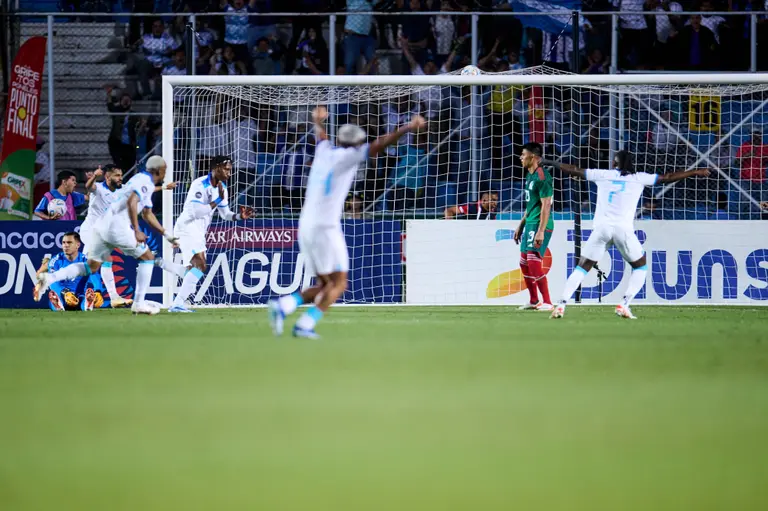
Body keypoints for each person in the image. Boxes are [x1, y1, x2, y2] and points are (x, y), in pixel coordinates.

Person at [268, 106, 426, 338]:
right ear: (357, 143)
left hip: (306, 224)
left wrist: (317, 121)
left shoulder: (324, 151)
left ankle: (285, 306)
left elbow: (321, 137)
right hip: (325, 227)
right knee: (340, 284)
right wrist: (408, 127)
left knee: (326, 285)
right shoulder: (348, 156)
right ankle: (303, 324)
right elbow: (379, 145)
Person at [546, 151, 710, 319]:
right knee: (640, 267)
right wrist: (695, 171)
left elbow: (574, 169)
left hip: (602, 229)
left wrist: (548, 161)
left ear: (614, 164)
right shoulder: (639, 178)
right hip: (622, 230)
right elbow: (667, 177)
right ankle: (624, 304)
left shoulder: (603, 175)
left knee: (581, 268)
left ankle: (561, 305)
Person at [33, 156, 185, 316]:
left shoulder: (138, 181)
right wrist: (137, 229)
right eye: (165, 170)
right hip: (116, 228)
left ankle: (50, 278)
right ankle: (138, 303)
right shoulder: (139, 182)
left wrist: (167, 234)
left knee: (91, 266)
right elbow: (132, 202)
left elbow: (147, 211)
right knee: (147, 258)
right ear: (159, 170)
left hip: (101, 227)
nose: (165, 173)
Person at [169, 156, 255, 313]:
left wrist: (239, 216)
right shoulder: (200, 184)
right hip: (187, 227)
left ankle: (160, 263)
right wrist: (217, 199)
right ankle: (177, 304)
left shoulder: (223, 188)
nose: (229, 173)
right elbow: (196, 212)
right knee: (200, 265)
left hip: (198, 231)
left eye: (230, 170)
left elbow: (225, 214)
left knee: (193, 269)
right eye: (226, 170)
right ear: (215, 168)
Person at [79, 165, 132, 308]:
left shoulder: (122, 189)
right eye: (117, 175)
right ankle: (112, 297)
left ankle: (111, 297)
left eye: (121, 175)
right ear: (107, 177)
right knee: (104, 260)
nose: (120, 178)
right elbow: (88, 187)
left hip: (103, 234)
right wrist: (94, 176)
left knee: (95, 264)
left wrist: (164, 187)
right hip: (90, 231)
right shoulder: (98, 188)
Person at [513, 143, 554, 311]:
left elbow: (546, 205)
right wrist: (520, 225)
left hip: (540, 224)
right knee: (524, 263)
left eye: (524, 154)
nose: (521, 157)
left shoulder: (542, 177)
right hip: (530, 223)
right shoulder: (529, 175)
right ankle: (534, 300)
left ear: (534, 157)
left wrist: (541, 231)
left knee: (533, 260)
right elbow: (531, 204)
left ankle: (548, 302)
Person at [34, 232, 104, 312]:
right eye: (63, 242)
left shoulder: (85, 260)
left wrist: (98, 291)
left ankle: (87, 303)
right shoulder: (55, 261)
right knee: (57, 298)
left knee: (83, 301)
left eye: (69, 242)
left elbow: (94, 276)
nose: (66, 245)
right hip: (62, 295)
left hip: (79, 296)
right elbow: (52, 281)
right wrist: (65, 292)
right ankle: (58, 304)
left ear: (77, 245)